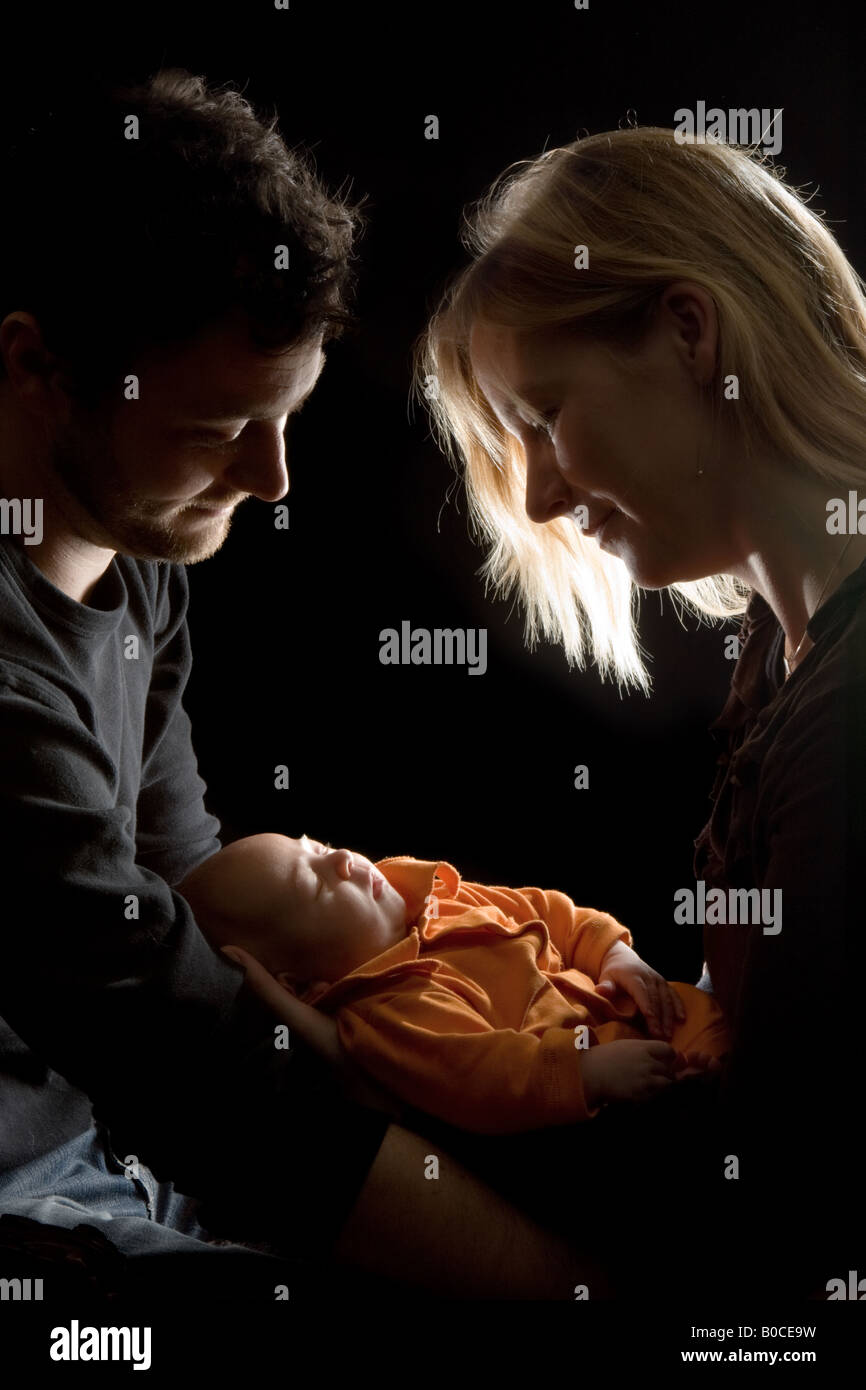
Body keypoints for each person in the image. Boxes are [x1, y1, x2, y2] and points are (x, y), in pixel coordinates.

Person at [0, 68, 604, 1302]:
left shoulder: (137, 559)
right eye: (219, 427)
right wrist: (561, 1292)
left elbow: (194, 908)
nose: (272, 479)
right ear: (37, 364)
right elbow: (181, 1046)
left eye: (288, 419)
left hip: (133, 1159)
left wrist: (434, 1028)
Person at [409, 125, 865, 1299]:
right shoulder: (783, 645)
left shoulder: (846, 704)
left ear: (684, 331)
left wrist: (365, 1067)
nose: (543, 496)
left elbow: (786, 1201)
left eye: (543, 417)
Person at [178, 831, 730, 1133]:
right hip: (599, 1089)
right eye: (318, 882)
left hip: (642, 1014)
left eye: (320, 848)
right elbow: (479, 1072)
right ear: (302, 984)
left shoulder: (434, 894)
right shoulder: (387, 1010)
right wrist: (585, 1075)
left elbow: (546, 910)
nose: (344, 859)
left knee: (704, 1015)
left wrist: (614, 957)